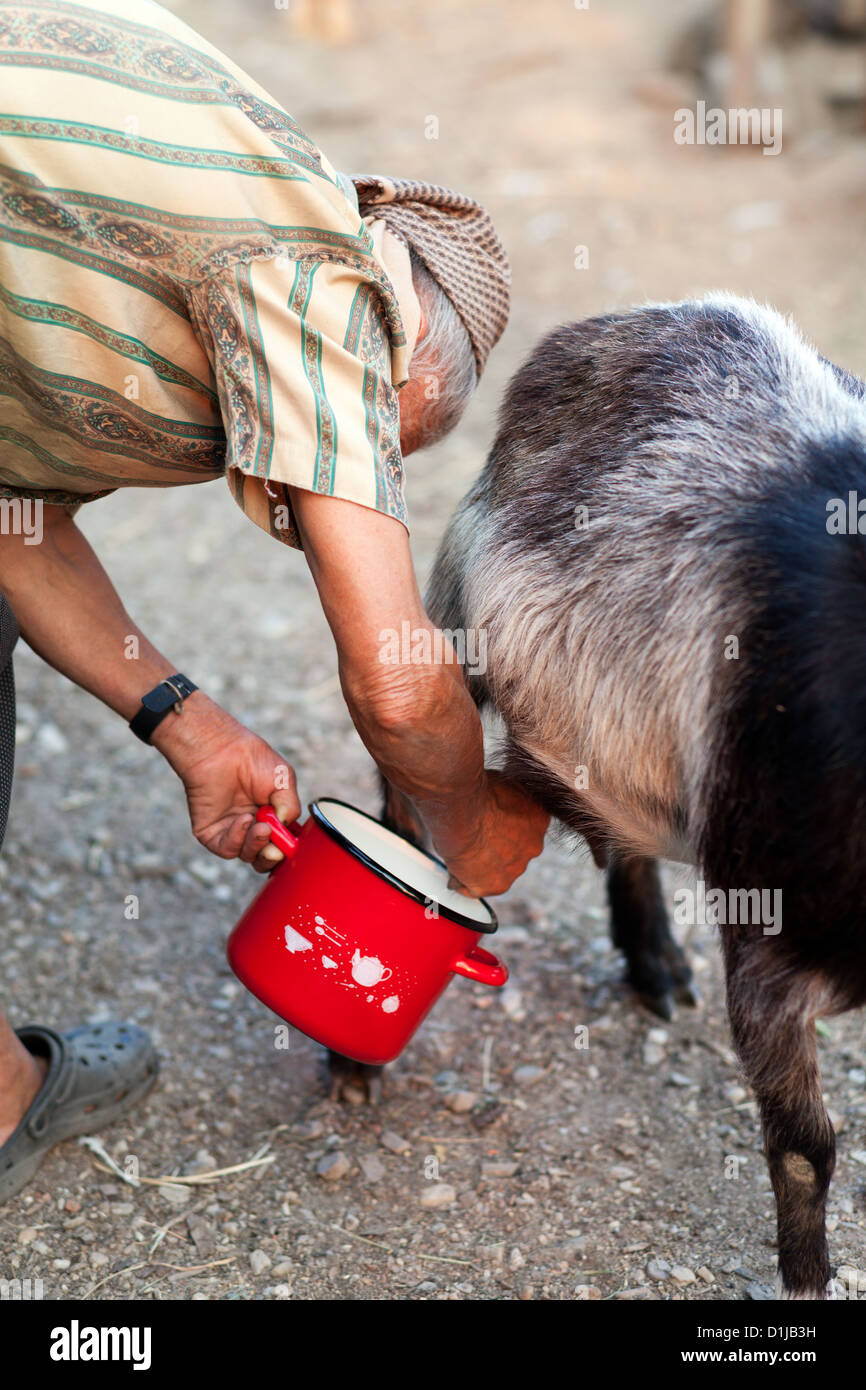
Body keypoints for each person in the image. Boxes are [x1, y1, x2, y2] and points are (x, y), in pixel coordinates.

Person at [0, 0, 548, 1200]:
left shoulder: (188, 238)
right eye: (383, 445)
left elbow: (13, 520)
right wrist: (472, 823)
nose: (351, 478)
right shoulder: (324, 279)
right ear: (403, 355)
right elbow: (403, 691)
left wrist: (193, 727)